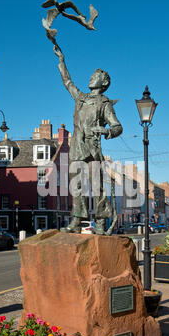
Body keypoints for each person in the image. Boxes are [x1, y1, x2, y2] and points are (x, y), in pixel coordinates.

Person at [54, 46, 123, 234]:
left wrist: (105, 130)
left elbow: (117, 127)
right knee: (75, 184)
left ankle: (101, 221)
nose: (91, 77)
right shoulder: (81, 98)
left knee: (96, 186)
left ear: (104, 82)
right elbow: (67, 82)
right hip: (77, 147)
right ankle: (77, 220)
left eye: (95, 76)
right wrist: (62, 60)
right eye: (92, 75)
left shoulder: (104, 103)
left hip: (93, 148)